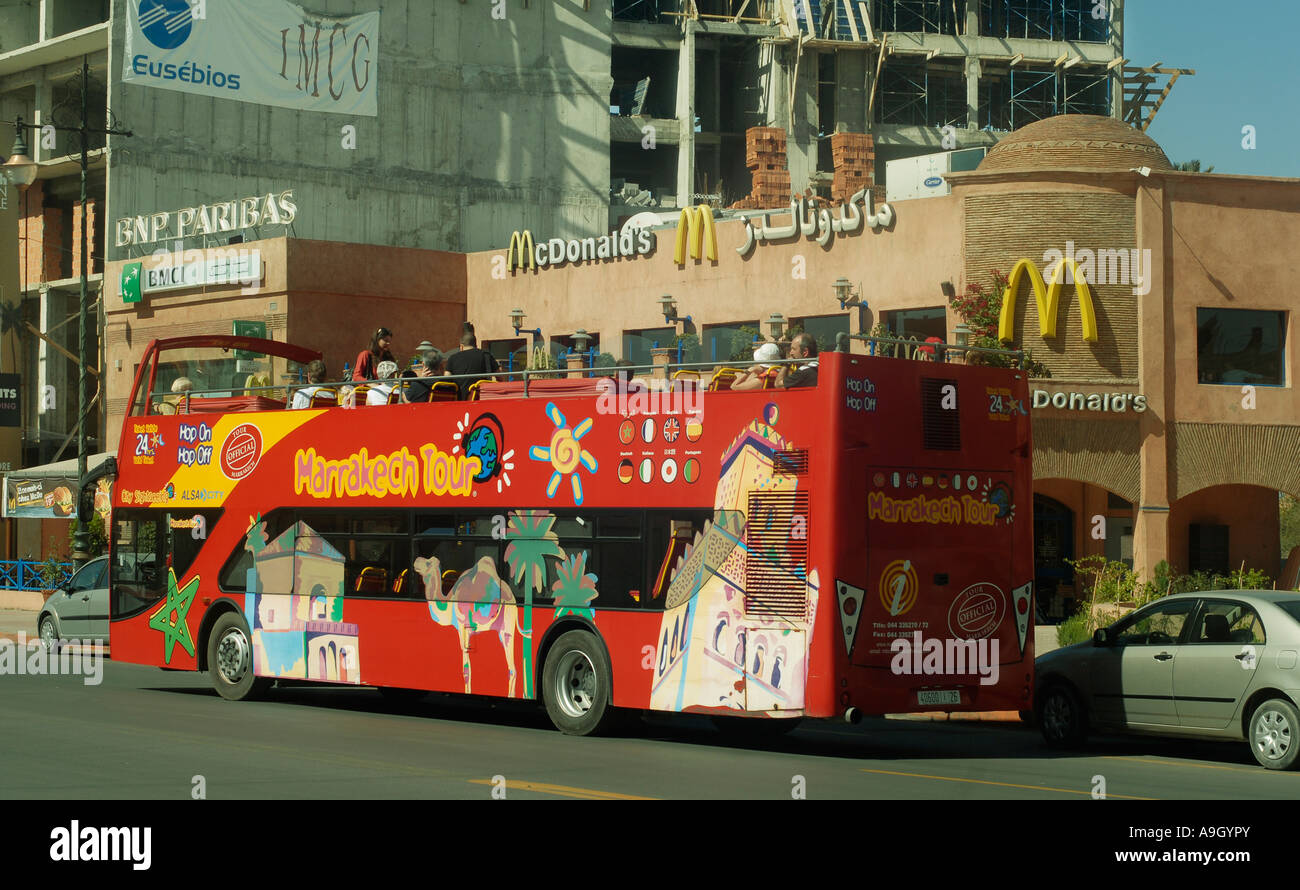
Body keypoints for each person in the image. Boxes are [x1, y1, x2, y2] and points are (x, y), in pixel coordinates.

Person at [445, 325, 498, 399]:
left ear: (461, 346)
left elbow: (447, 379)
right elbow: (499, 376)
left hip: (459, 399)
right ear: (476, 345)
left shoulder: (452, 358)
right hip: (481, 398)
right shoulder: (486, 355)